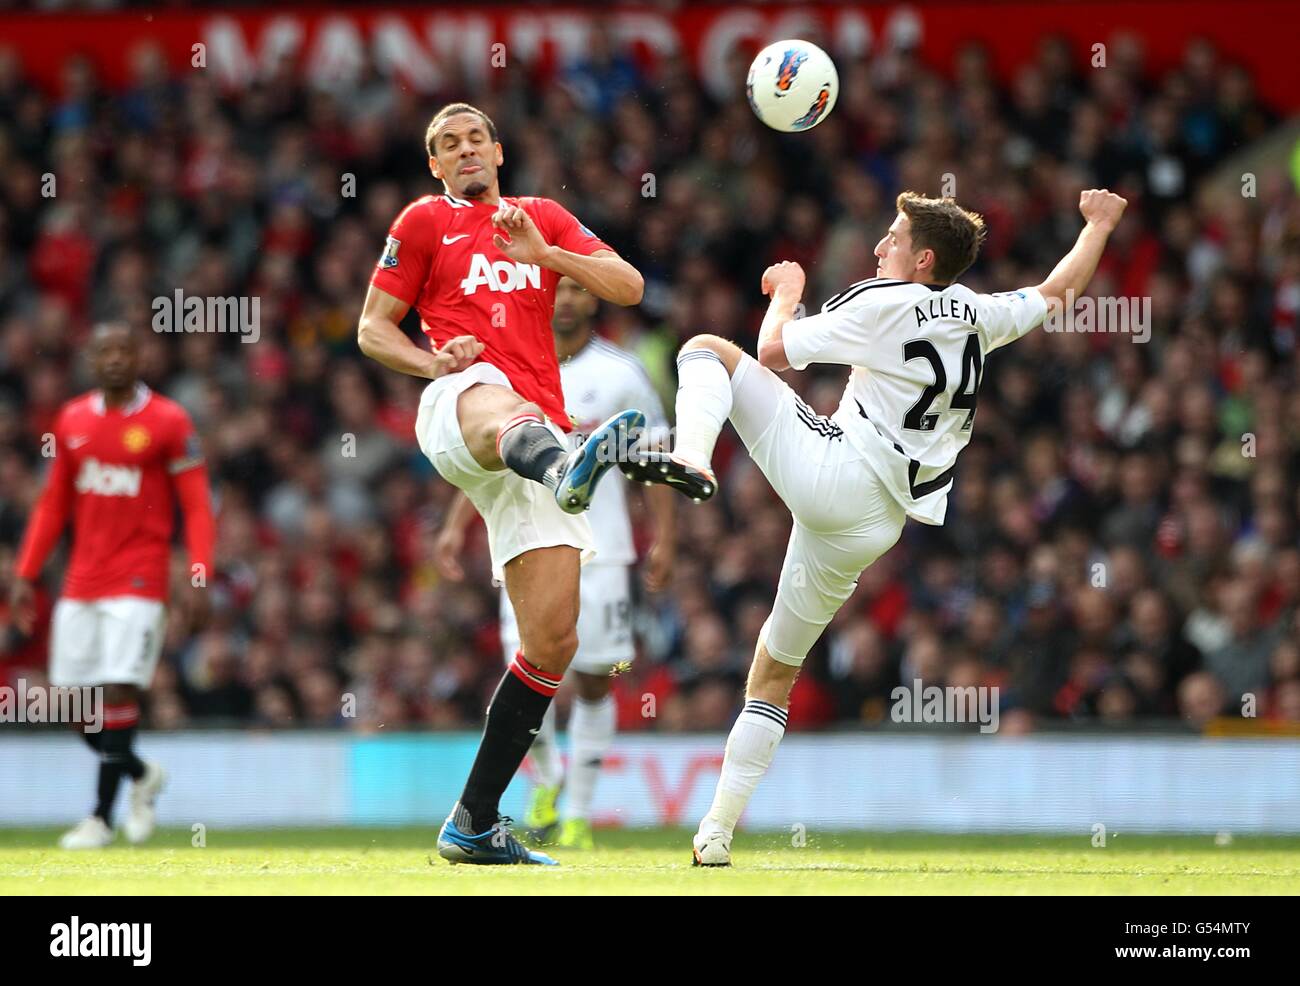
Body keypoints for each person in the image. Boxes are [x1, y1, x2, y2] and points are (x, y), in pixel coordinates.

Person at [628, 189, 1128, 865]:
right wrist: (1098, 225)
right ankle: (715, 833)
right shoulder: (980, 314)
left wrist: (788, 289)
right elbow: (1062, 289)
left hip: (842, 473)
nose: (876, 248)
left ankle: (690, 456)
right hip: (879, 522)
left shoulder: (882, 299)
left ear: (922, 259)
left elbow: (772, 351)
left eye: (891, 239)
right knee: (774, 670)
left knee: (707, 350)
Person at [357, 102, 646, 865]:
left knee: (553, 643)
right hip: (460, 401)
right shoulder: (423, 222)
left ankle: (473, 822)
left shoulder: (541, 215)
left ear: (499, 149)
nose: (464, 151)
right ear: (435, 166)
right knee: (507, 405)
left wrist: (549, 256)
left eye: (475, 138)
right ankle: (566, 467)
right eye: (447, 145)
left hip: (531, 432)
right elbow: (371, 328)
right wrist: (431, 363)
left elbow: (628, 286)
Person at [434, 275, 675, 850]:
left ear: (592, 298)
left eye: (575, 289)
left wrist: (663, 538)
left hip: (606, 549)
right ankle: (547, 778)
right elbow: (484, 454)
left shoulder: (623, 374)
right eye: (556, 289)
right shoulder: (508, 373)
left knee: (596, 678)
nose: (566, 299)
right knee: (526, 667)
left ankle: (579, 815)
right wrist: (452, 526)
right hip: (527, 543)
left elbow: (654, 458)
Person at [9, 322, 215, 849]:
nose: (117, 359)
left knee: (117, 686)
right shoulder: (72, 418)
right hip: (82, 580)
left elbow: (195, 503)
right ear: (91, 359)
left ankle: (100, 817)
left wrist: (198, 572)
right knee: (72, 703)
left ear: (140, 356)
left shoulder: (169, 420)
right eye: (106, 351)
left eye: (126, 349)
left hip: (140, 578)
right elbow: (54, 503)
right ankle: (141, 775)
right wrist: (26, 574)